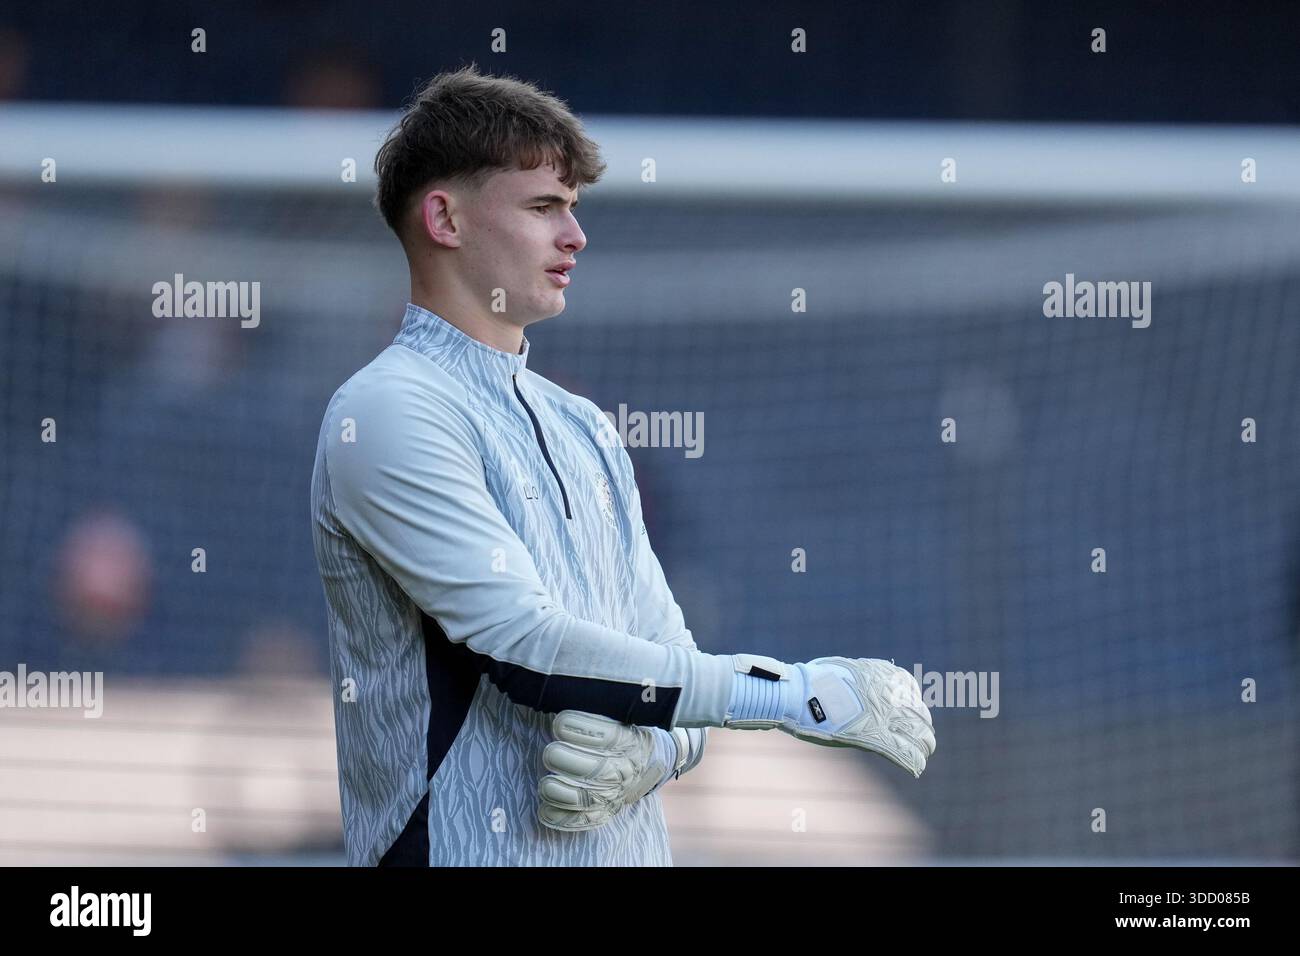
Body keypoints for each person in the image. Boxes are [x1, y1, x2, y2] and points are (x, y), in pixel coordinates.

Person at [310, 64, 935, 866]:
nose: (575, 236)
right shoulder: (388, 410)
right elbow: (525, 648)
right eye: (543, 207)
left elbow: (668, 658)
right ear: (444, 217)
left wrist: (656, 754)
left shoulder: (586, 429)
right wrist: (798, 697)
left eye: (573, 209)